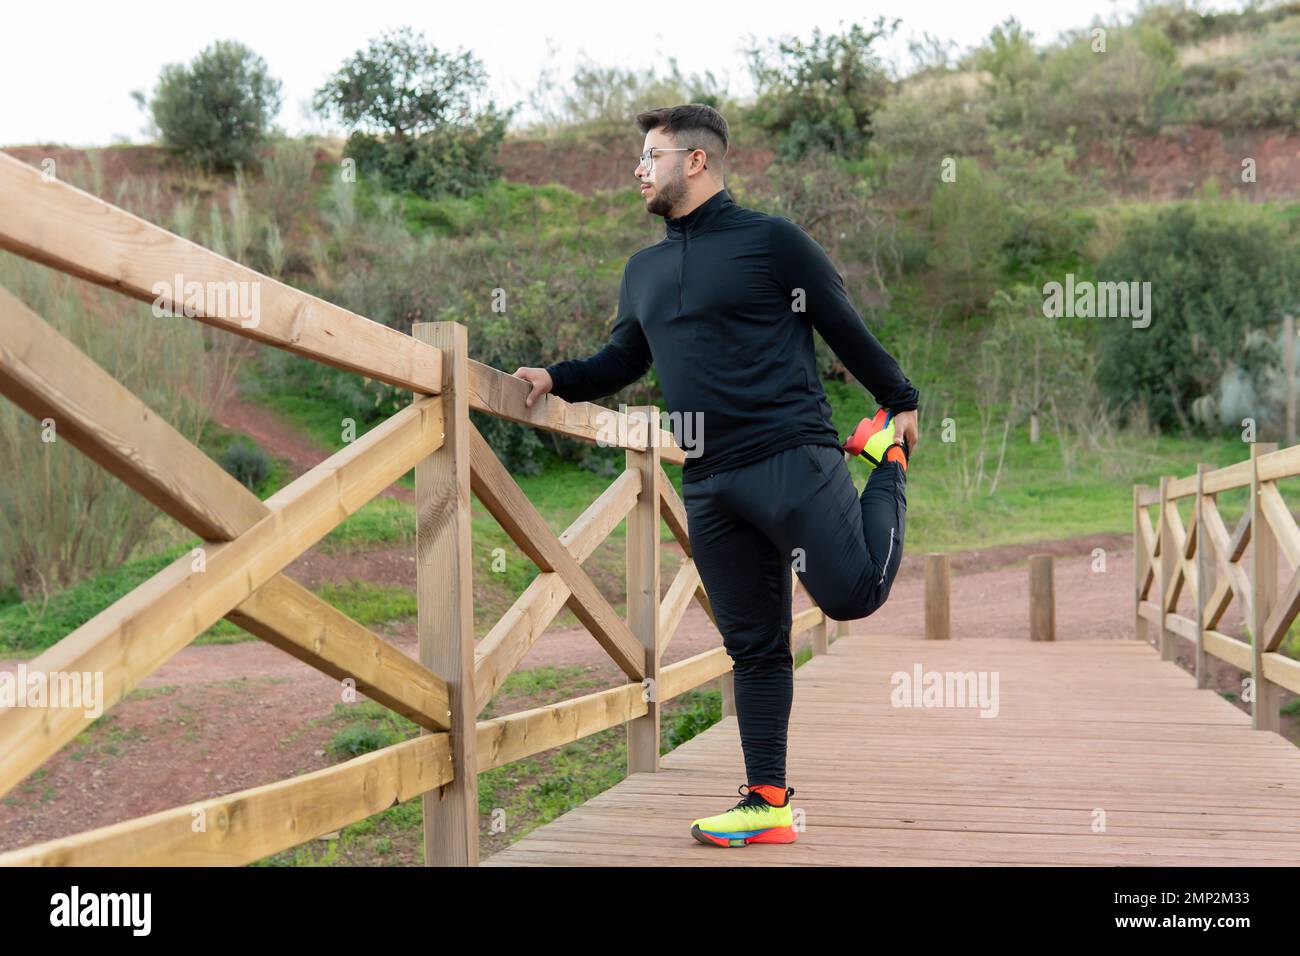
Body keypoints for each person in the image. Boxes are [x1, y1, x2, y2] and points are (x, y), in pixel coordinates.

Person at [512, 103, 919, 848]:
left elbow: (841, 322)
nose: (639, 170)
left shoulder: (772, 242)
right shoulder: (644, 270)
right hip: (710, 481)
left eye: (650, 155)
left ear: (695, 162)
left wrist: (899, 403)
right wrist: (554, 377)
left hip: (793, 456)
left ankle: (883, 464)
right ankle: (767, 802)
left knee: (853, 594)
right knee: (754, 645)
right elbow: (623, 361)